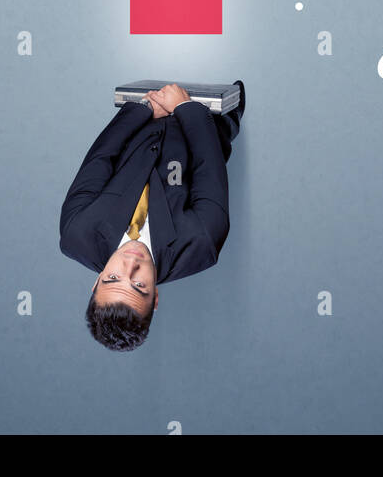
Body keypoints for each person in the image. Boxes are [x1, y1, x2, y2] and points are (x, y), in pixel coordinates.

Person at [59, 80, 245, 351]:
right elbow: (208, 164)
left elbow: (100, 158)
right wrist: (185, 107)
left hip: (145, 109)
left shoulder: (75, 233)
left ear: (96, 282)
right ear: (155, 298)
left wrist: (144, 109)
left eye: (112, 278)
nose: (129, 266)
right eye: (139, 285)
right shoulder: (201, 245)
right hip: (206, 116)